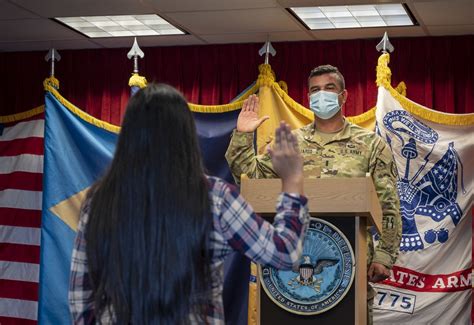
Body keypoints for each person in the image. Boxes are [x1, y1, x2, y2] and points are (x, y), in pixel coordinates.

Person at [68, 83, 309, 324]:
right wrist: (292, 182)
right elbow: (285, 253)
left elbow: (81, 300)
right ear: (185, 133)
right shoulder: (215, 198)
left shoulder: (100, 200)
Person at [225, 65, 402, 324]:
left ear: (343, 96)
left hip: (349, 265)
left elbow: (388, 205)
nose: (322, 95)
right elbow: (250, 179)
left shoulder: (371, 145)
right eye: (315, 90)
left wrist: (385, 256)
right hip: (288, 269)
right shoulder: (289, 142)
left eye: (329, 88)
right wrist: (242, 134)